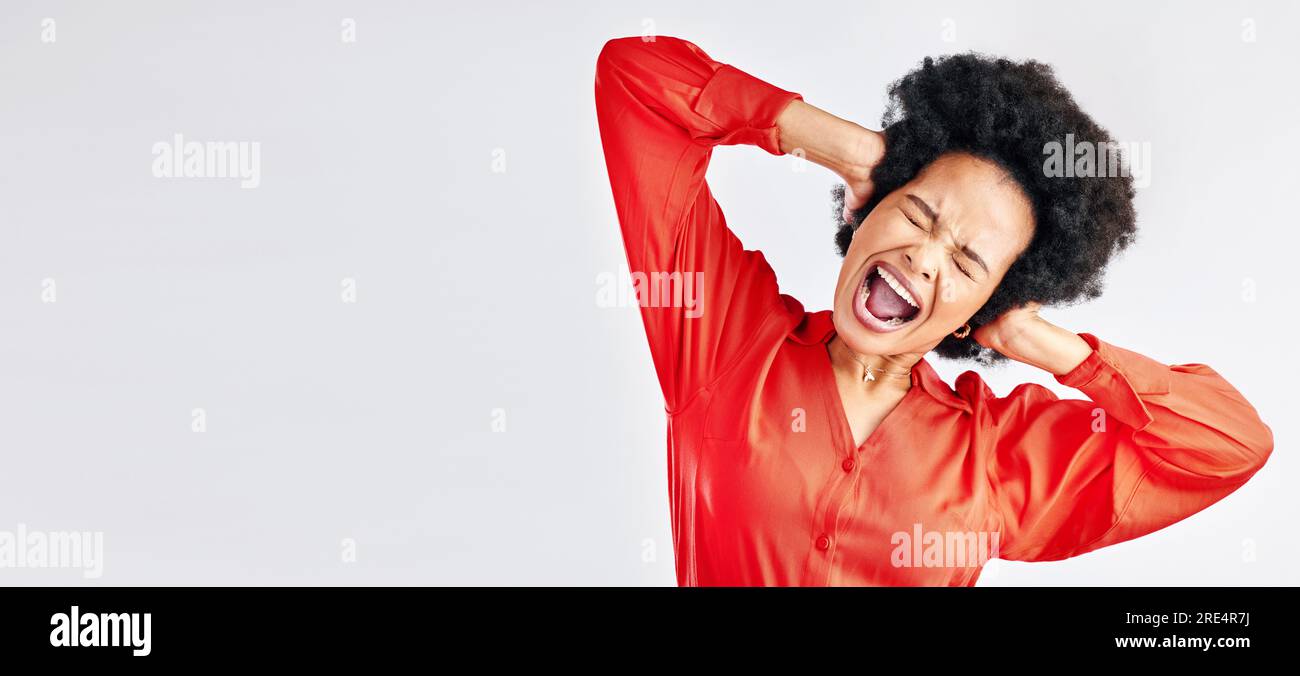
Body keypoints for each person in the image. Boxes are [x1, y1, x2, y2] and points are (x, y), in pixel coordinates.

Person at [593, 35, 1273, 586]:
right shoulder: (723, 340)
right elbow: (635, 77)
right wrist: (849, 148)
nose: (924, 258)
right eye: (916, 213)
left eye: (969, 264)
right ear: (864, 213)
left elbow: (1228, 446)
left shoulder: (996, 459)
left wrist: (1042, 342)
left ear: (982, 307)